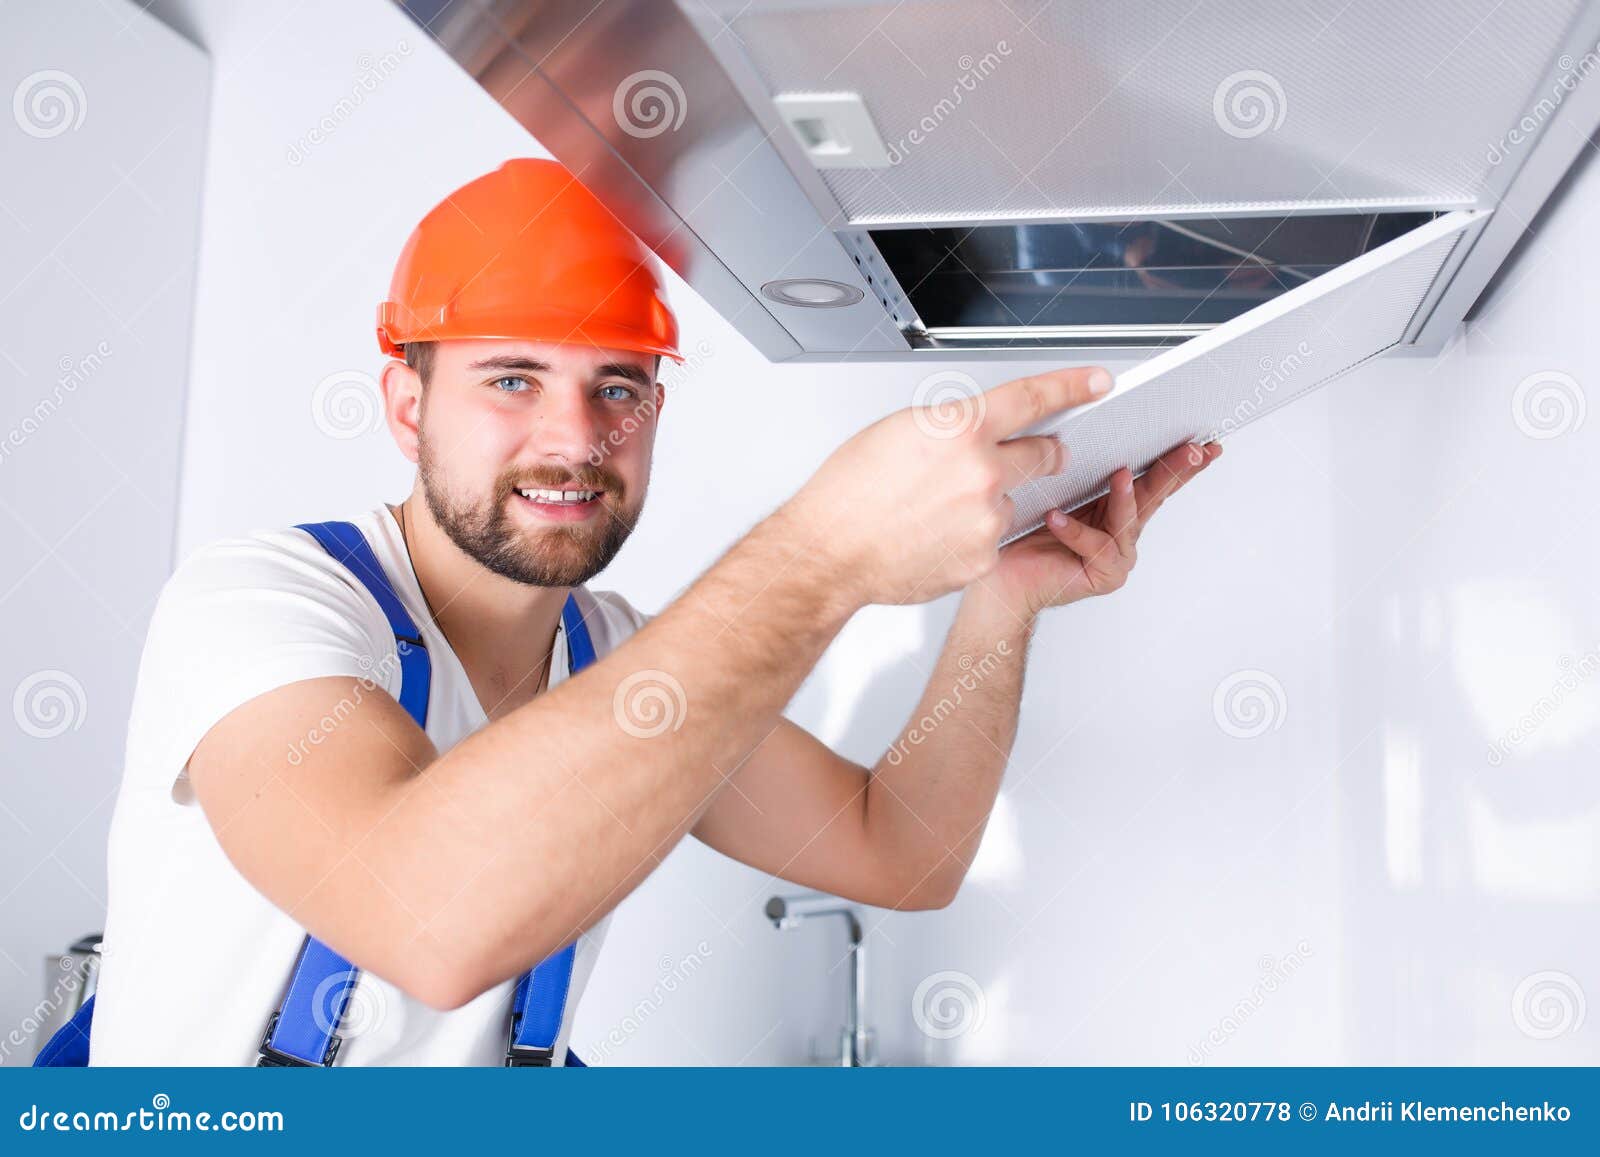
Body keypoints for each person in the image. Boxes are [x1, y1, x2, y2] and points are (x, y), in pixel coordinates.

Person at [88, 158, 1219, 1065]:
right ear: (405, 402)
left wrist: (1001, 603)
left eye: (616, 387)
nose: (576, 438)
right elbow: (425, 921)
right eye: (513, 378)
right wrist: (822, 553)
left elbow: (901, 852)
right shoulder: (256, 607)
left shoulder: (615, 654)